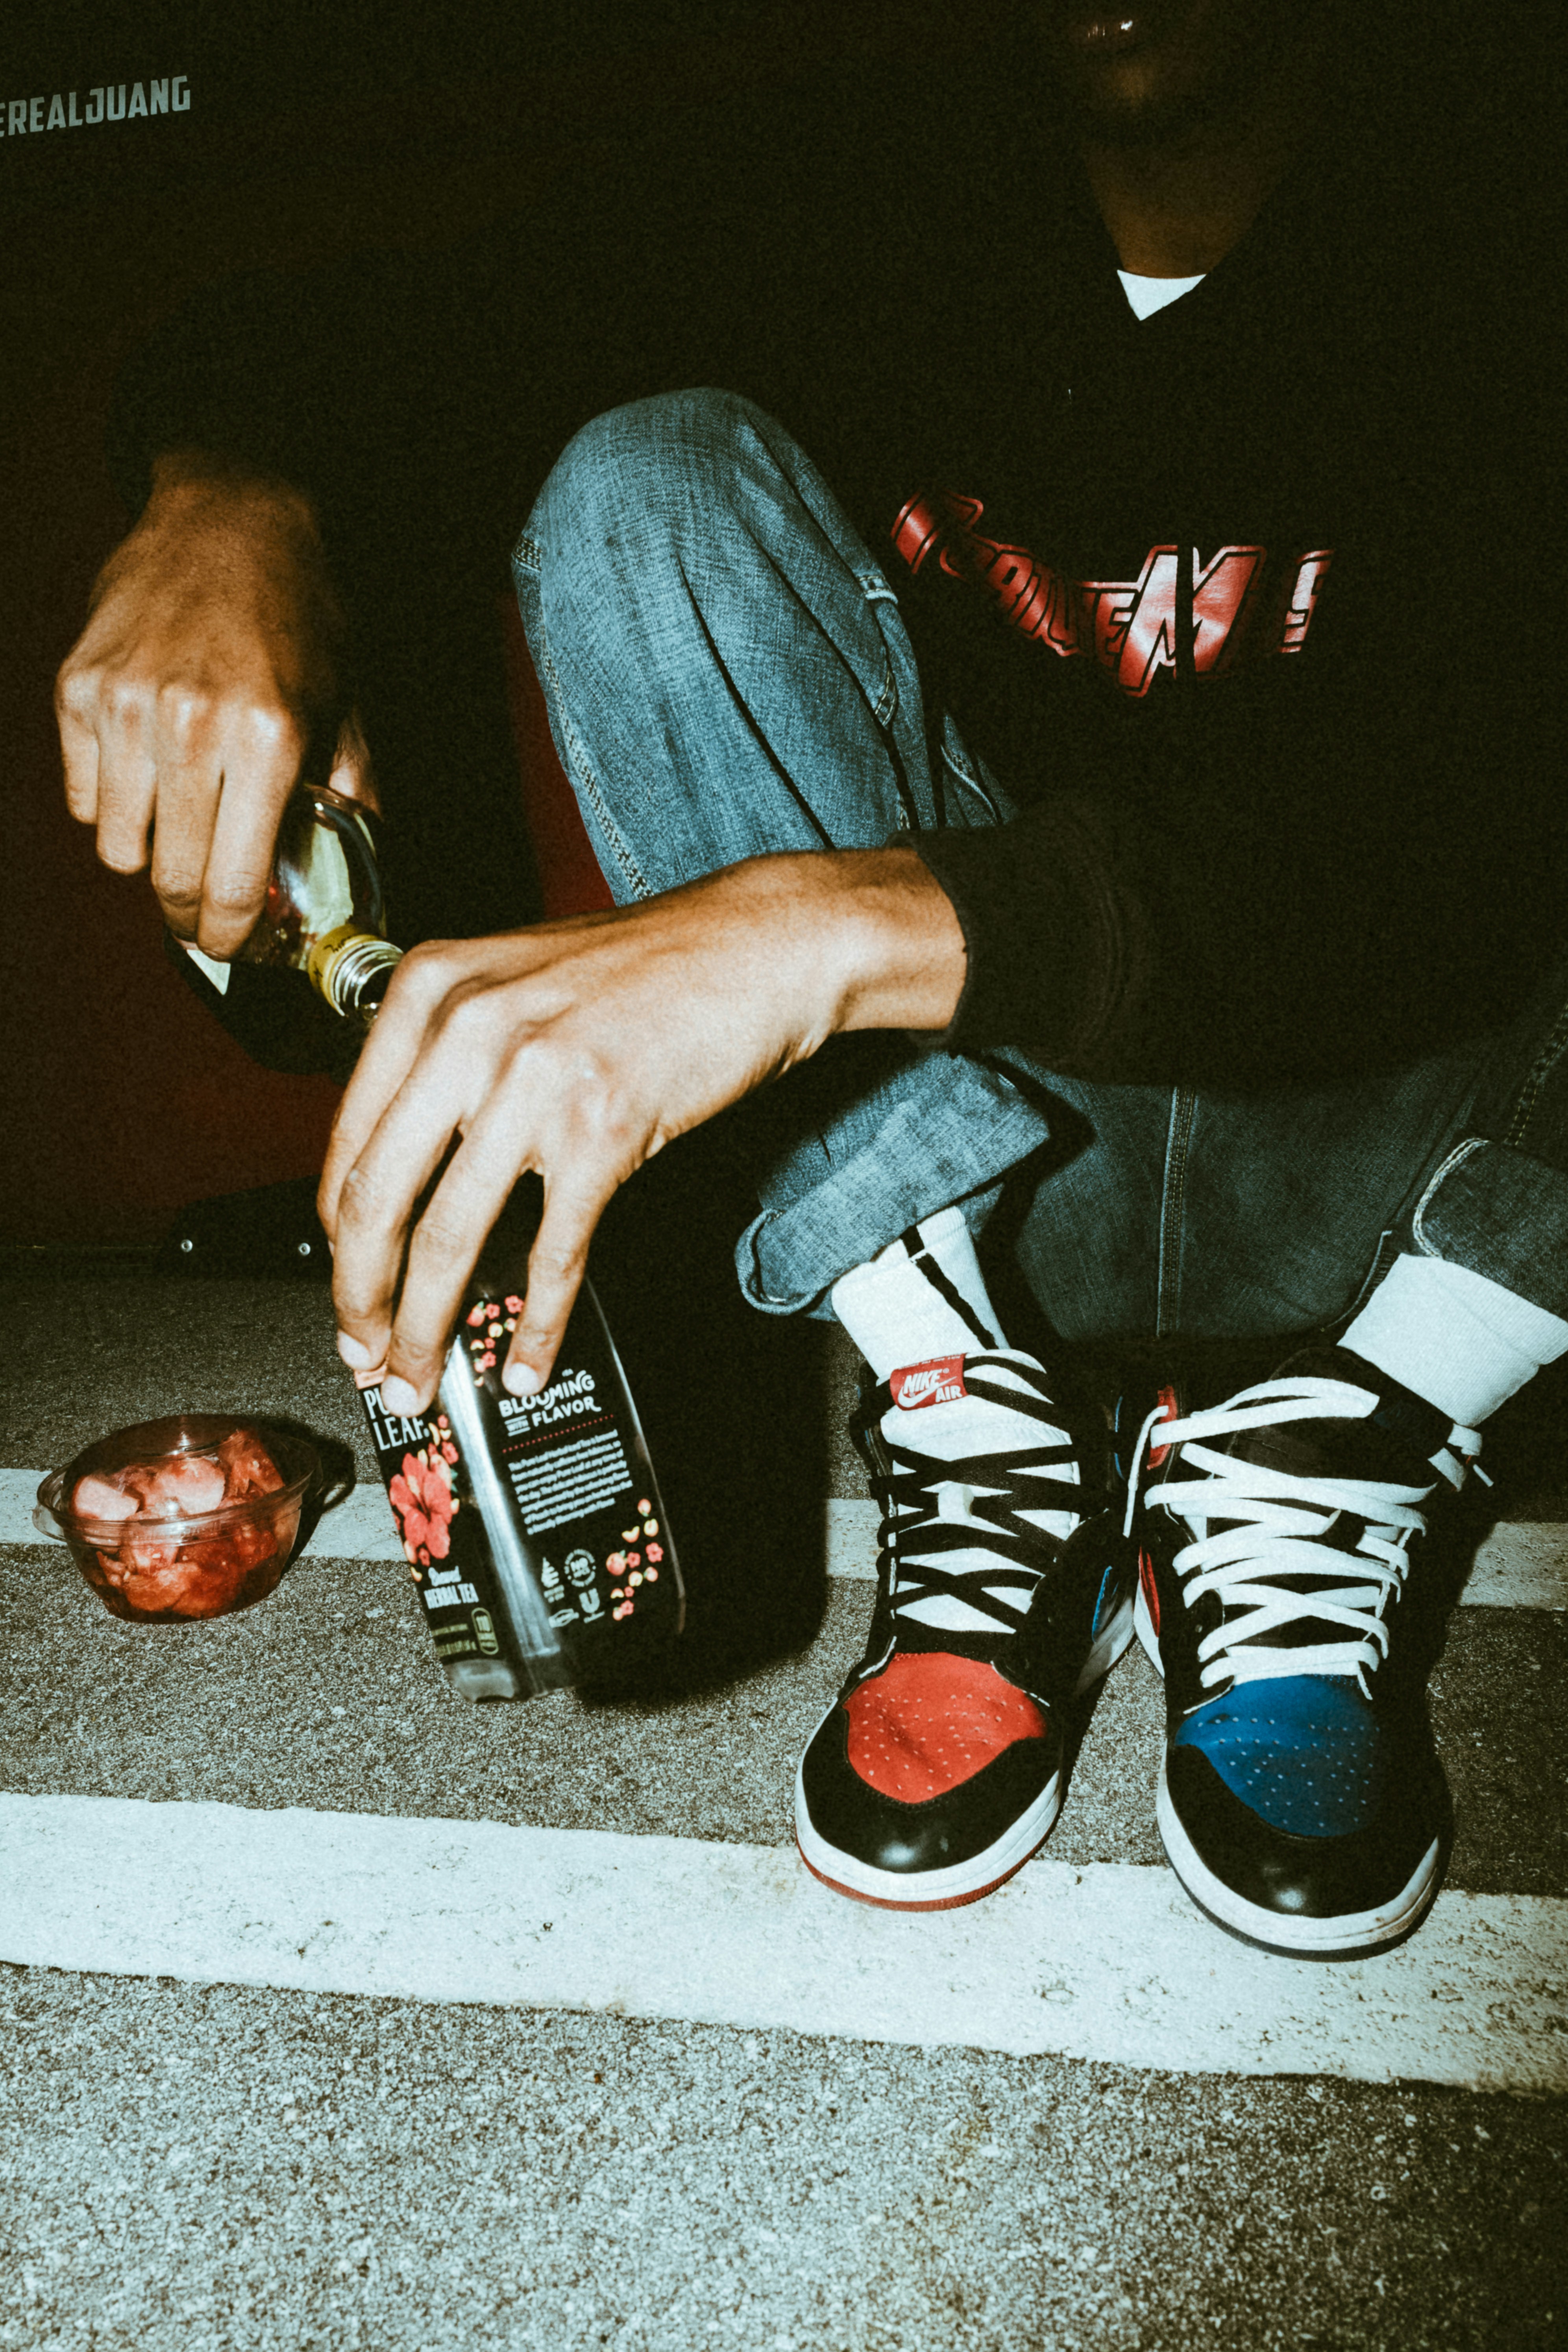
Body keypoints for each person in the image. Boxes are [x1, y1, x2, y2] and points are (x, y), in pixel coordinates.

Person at [55, 0, 1567, 1956]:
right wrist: (231, 497)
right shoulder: (858, 183)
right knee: (643, 476)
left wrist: (816, 930)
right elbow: (380, 326)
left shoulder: (1504, 185)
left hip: (1424, 1166)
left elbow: (1442, 863)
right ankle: (964, 1397)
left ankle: (1359, 1420)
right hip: (999, 1171)